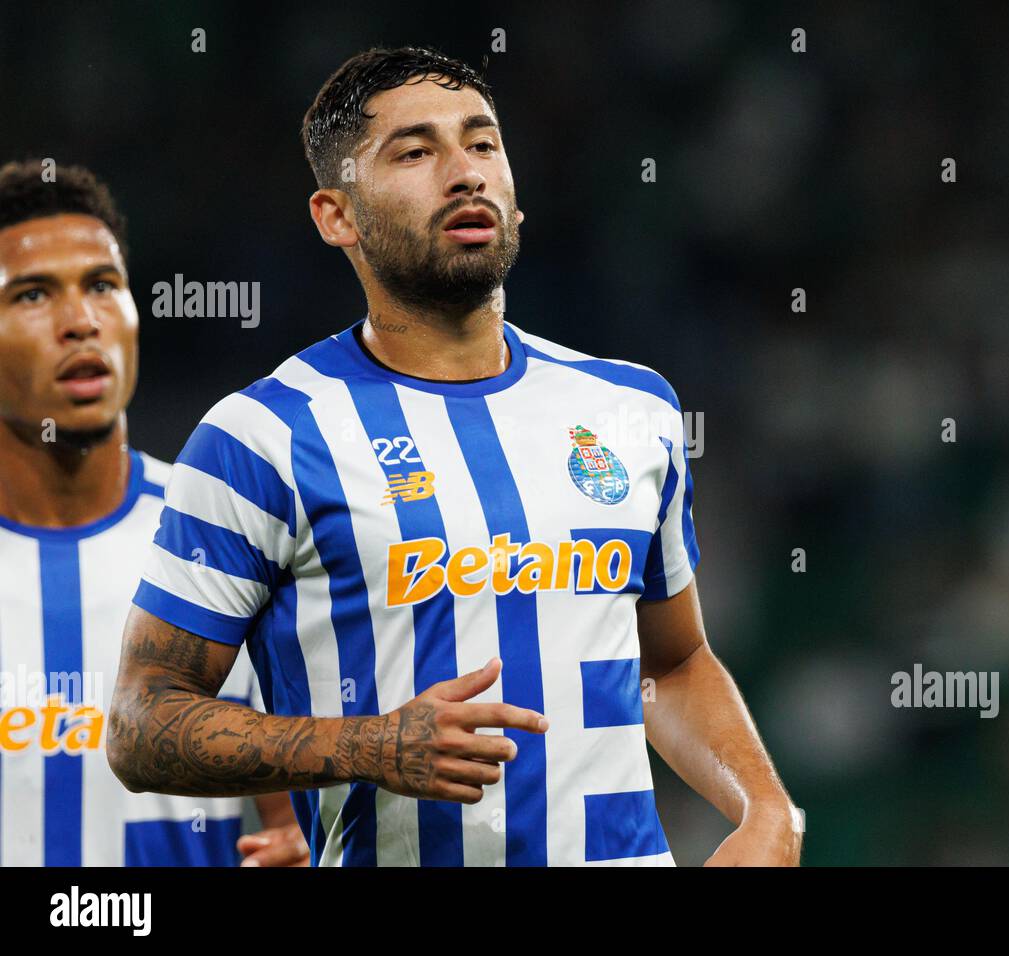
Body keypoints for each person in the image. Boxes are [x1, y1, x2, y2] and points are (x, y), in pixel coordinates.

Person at [108, 47, 801, 866]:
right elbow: (143, 724)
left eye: (483, 143)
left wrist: (765, 811)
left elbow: (675, 663)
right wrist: (369, 745)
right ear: (337, 216)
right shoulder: (263, 437)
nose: (465, 172)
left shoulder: (631, 408)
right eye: (415, 151)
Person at [0, 159, 306, 866]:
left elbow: (299, 818)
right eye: (33, 296)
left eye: (103, 286)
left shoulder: (231, 536)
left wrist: (303, 842)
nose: (81, 322)